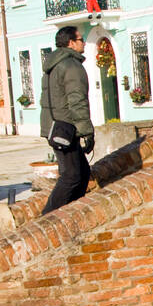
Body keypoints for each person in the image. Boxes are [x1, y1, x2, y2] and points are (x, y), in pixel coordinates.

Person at [39, 26, 95, 215]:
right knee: (72, 176)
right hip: (65, 128)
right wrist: (87, 132)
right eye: (81, 39)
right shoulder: (71, 65)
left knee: (83, 173)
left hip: (54, 126)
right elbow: (77, 100)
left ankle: (72, 214)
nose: (84, 43)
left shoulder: (52, 65)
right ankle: (48, 219)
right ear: (71, 43)